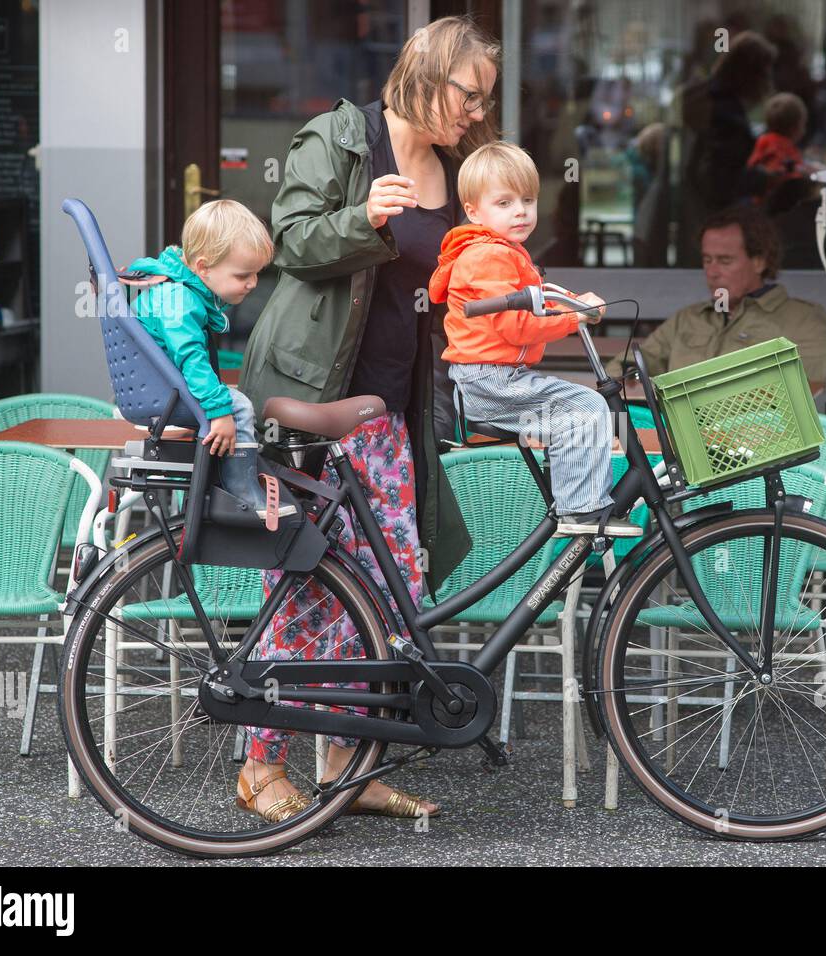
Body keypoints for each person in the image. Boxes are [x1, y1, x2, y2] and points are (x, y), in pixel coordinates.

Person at [236, 16, 501, 823]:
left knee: (385, 590)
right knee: (304, 582)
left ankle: (348, 765)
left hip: (393, 409)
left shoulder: (454, 169)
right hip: (316, 399)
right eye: (470, 94)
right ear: (426, 73)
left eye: (487, 101)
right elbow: (290, 242)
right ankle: (259, 765)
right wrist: (368, 221)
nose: (478, 114)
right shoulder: (344, 139)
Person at [430, 141, 640, 537]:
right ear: (474, 211)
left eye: (528, 199)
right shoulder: (488, 257)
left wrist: (574, 303)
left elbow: (540, 298)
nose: (521, 211)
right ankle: (580, 511)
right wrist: (575, 317)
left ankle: (579, 507)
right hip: (490, 381)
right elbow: (516, 325)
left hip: (491, 379)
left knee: (579, 412)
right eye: (504, 202)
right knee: (586, 409)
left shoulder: (504, 253)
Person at [607, 205, 826, 445]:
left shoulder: (799, 319)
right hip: (678, 454)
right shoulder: (689, 318)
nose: (712, 272)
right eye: (707, 260)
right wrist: (619, 379)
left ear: (760, 261)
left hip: (753, 460)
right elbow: (636, 360)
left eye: (725, 261)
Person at [126, 199, 295, 521]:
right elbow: (191, 358)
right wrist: (218, 412)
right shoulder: (179, 300)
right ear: (203, 267)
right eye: (243, 274)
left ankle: (222, 480)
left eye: (257, 274)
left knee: (232, 402)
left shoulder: (177, 291)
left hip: (158, 389)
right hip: (162, 394)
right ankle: (240, 492)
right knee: (239, 406)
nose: (253, 283)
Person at [746, 92, 808, 202]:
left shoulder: (764, 141)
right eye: (803, 124)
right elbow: (788, 174)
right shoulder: (783, 147)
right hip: (774, 207)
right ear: (795, 128)